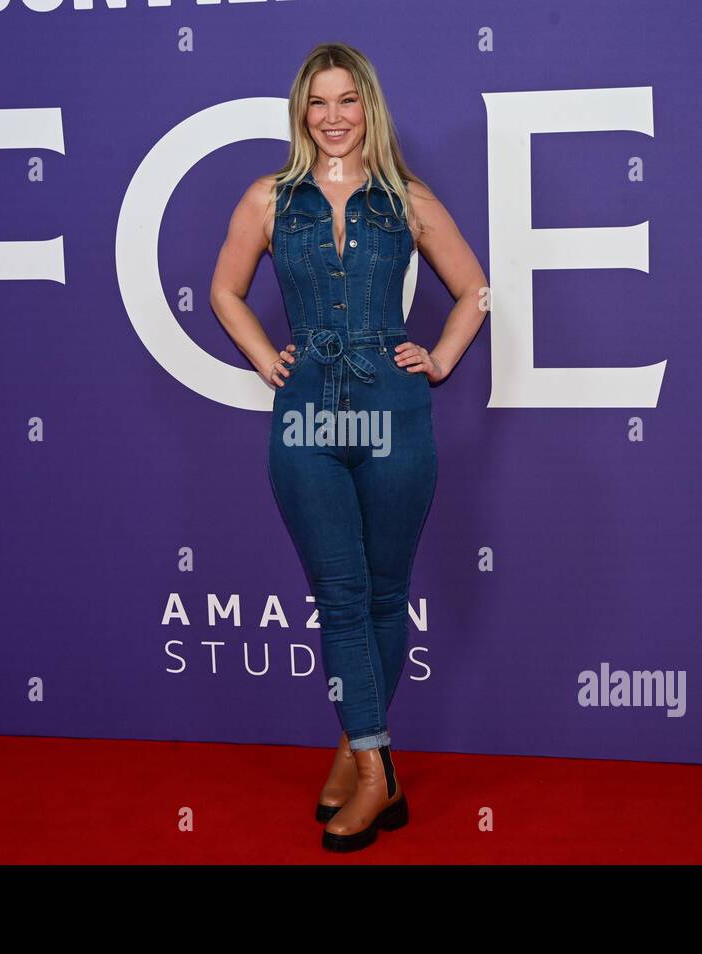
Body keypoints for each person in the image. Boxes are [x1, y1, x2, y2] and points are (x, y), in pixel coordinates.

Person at [209, 43, 488, 851]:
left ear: (370, 107)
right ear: (301, 113)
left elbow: (476, 290)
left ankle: (351, 745)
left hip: (395, 415)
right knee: (338, 593)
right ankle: (378, 773)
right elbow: (224, 290)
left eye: (347, 101)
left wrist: (439, 358)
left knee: (382, 595)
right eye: (317, 103)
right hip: (307, 422)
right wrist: (267, 359)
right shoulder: (268, 198)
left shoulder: (407, 197)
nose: (332, 118)